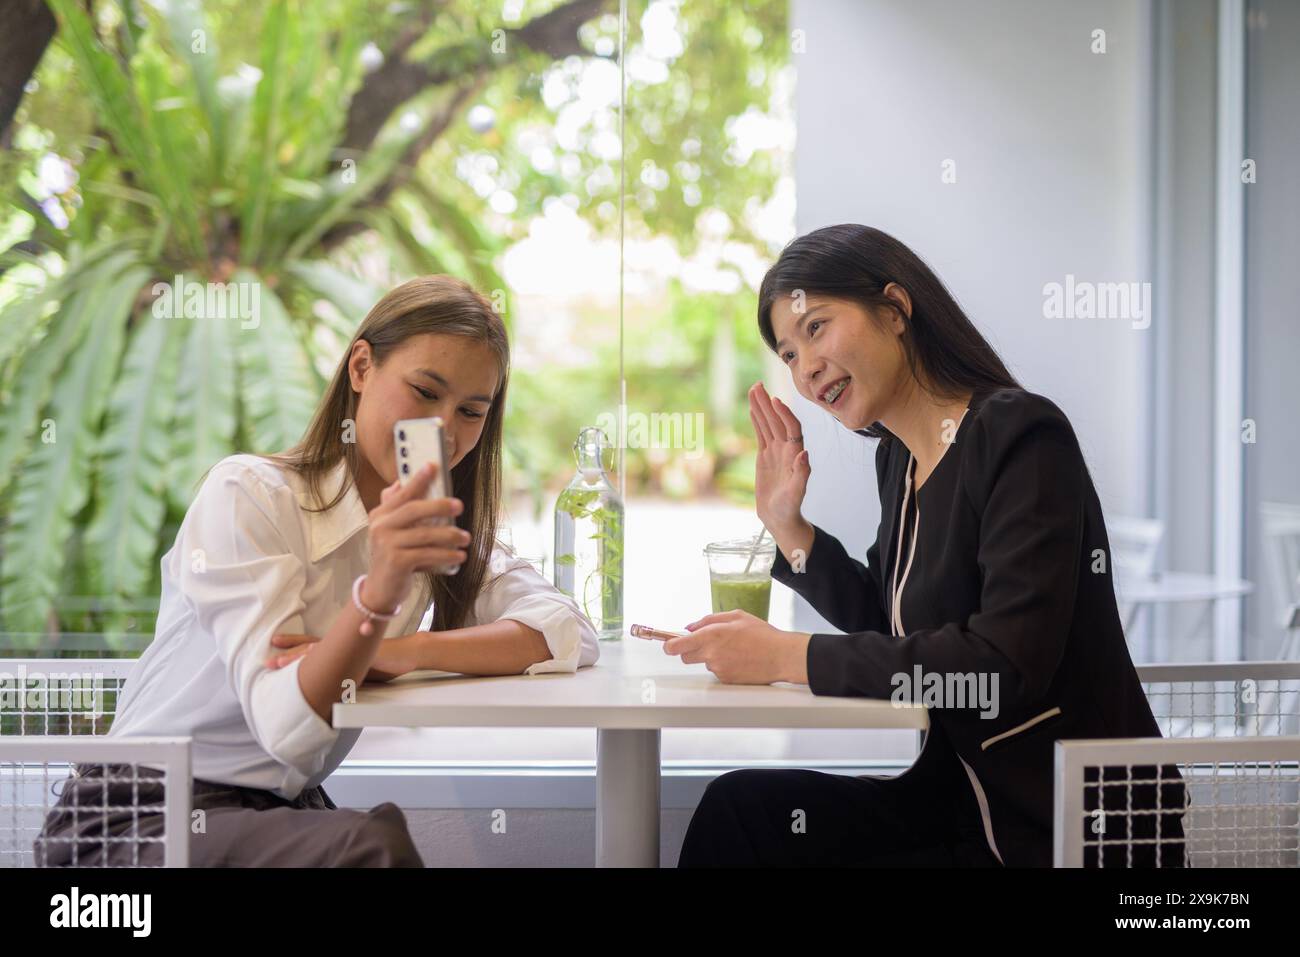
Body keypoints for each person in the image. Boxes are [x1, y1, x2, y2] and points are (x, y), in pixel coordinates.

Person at [37, 275, 599, 867]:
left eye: (471, 410)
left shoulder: (435, 531)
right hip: (139, 815)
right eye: (424, 392)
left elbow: (566, 629)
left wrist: (404, 652)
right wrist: (378, 594)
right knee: (371, 844)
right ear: (361, 367)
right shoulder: (251, 496)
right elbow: (287, 729)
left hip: (273, 812)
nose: (443, 430)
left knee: (370, 839)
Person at [668, 225, 1184, 868]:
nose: (806, 368)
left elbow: (1000, 669)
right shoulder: (901, 463)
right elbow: (887, 625)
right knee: (741, 809)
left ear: (894, 309)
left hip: (1060, 830)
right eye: (790, 355)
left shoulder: (1018, 433)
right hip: (960, 806)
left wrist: (786, 655)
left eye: (816, 328)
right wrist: (789, 529)